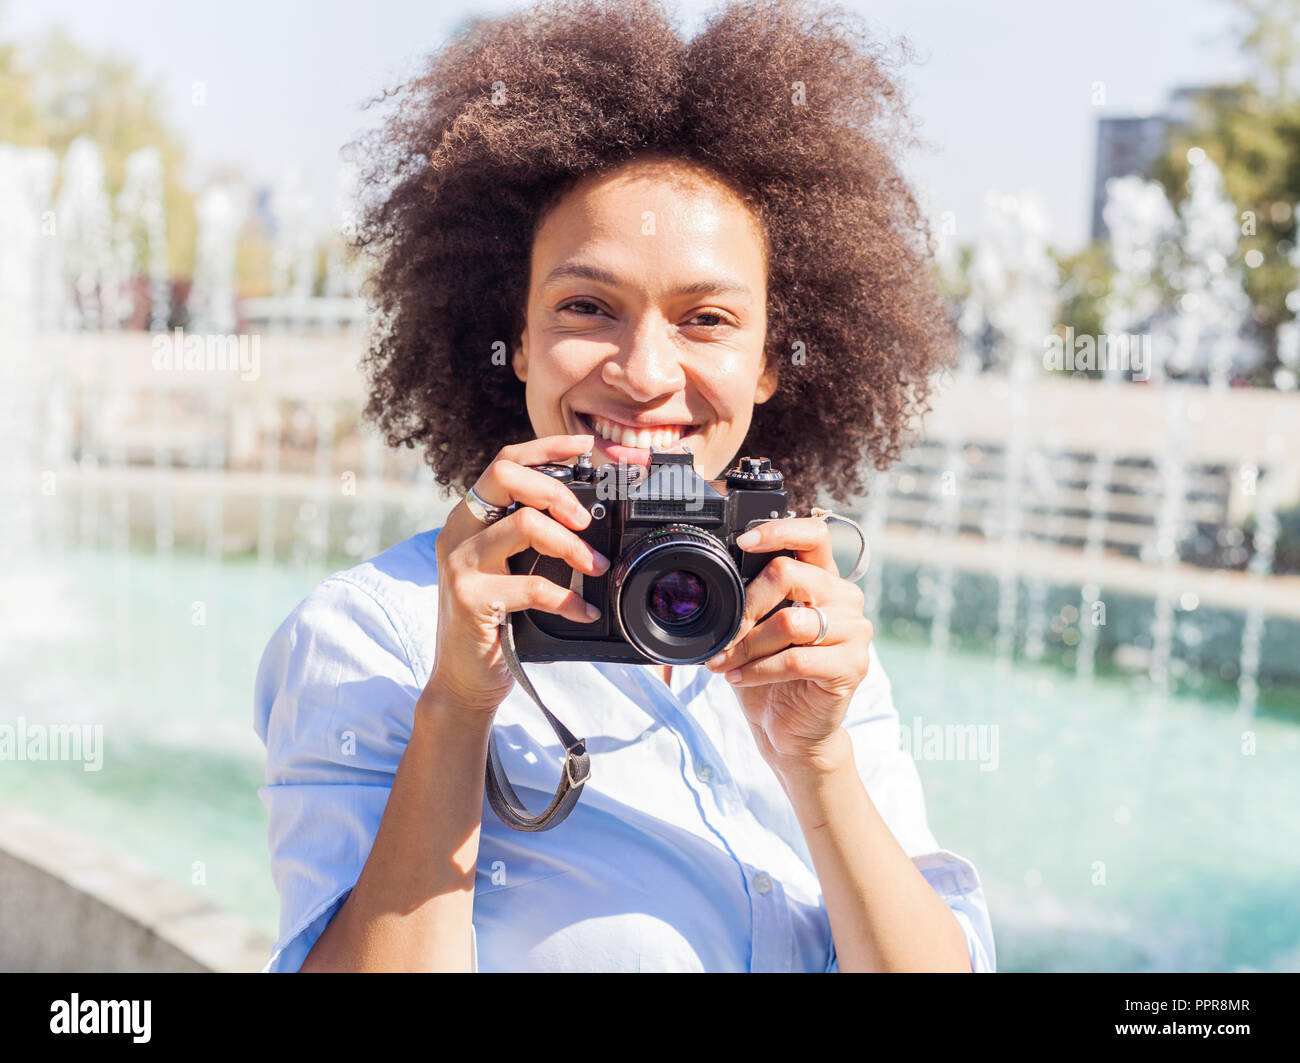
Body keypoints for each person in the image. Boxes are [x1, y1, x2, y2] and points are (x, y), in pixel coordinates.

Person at [254, 0, 995, 973]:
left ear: (772, 360)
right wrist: (457, 709)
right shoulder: (375, 636)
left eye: (707, 319)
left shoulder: (802, 637)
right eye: (587, 306)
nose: (644, 371)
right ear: (513, 338)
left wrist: (817, 761)